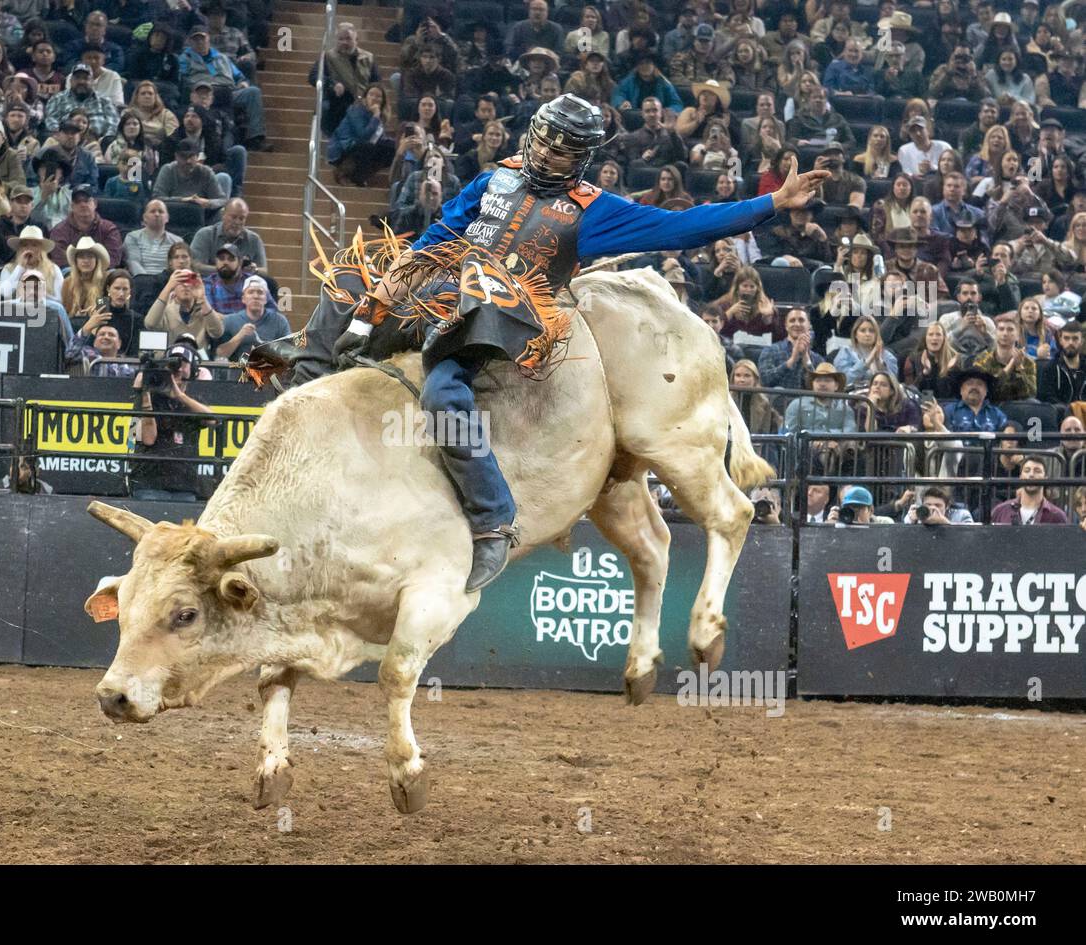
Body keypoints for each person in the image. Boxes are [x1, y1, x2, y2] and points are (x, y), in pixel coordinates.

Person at [289, 93, 826, 590]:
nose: (547, 153)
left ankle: (492, 520)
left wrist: (772, 202)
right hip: (444, 286)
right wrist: (378, 299)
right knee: (343, 285)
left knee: (442, 392)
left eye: (563, 148)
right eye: (543, 139)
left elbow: (680, 227)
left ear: (582, 157)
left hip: (503, 314)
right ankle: (300, 399)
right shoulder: (493, 178)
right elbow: (437, 238)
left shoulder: (594, 209)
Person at [129, 339, 217, 502]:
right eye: (173, 364)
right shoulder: (142, 399)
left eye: (183, 364)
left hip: (185, 485)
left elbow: (213, 421)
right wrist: (144, 395)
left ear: (194, 371)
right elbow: (146, 438)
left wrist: (179, 396)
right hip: (149, 484)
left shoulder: (193, 402)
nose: (178, 368)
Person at [328, 82, 396, 188]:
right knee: (367, 147)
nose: (374, 98)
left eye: (378, 96)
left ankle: (360, 176)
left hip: (363, 147)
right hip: (344, 147)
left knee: (391, 148)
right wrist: (376, 116)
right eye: (371, 95)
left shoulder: (379, 117)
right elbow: (363, 135)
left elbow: (379, 139)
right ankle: (344, 172)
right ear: (365, 98)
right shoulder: (356, 111)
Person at [144, 267, 226, 351]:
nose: (186, 285)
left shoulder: (204, 310)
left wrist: (202, 298)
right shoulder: (165, 309)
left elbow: (217, 332)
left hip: (197, 361)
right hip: (169, 360)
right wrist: (168, 288)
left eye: (190, 281)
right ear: (173, 287)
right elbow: (150, 324)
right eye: (181, 281)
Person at [215, 275, 291, 362]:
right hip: (237, 373)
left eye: (260, 292)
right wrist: (240, 336)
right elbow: (219, 354)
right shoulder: (230, 321)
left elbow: (289, 352)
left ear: (266, 299)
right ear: (243, 299)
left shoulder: (279, 321)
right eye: (251, 292)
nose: (255, 296)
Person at [50, 185, 122, 269]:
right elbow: (60, 260)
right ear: (72, 206)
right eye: (78, 202)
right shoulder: (59, 230)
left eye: (87, 200)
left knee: (114, 274)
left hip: (103, 271)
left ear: (95, 204)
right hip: (71, 273)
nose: (83, 204)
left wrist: (93, 272)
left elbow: (113, 258)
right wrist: (82, 272)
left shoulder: (109, 229)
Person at [758, 307, 824, 389]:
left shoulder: (818, 359)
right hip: (777, 399)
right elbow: (764, 380)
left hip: (805, 400)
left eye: (801, 320)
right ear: (786, 326)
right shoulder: (770, 350)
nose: (797, 324)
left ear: (809, 325)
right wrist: (791, 361)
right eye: (792, 320)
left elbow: (821, 387)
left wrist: (806, 358)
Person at [990, 458, 1069, 525]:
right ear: (1020, 477)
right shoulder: (1000, 511)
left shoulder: (1058, 516)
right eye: (1027, 471)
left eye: (1037, 471)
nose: (1031, 474)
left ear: (1045, 478)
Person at [65, 305, 136, 377]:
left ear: (119, 343)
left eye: (111, 335)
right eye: (102, 334)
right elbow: (69, 354)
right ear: (94, 342)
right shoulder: (86, 353)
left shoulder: (127, 365)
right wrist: (87, 328)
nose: (106, 337)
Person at [0, 224, 62, 302]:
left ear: (41, 249)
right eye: (25, 245)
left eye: (34, 245)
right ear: (20, 249)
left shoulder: (53, 269)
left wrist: (41, 295)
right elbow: (4, 293)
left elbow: (61, 300)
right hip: (16, 312)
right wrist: (20, 267)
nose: (29, 249)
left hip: (46, 311)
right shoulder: (9, 268)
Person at [124, 199, 181, 278]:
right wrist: (148, 280)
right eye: (152, 211)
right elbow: (133, 262)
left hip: (168, 282)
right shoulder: (132, 237)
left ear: (167, 218)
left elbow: (177, 266)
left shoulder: (177, 241)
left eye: (161, 211)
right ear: (144, 217)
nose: (157, 214)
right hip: (140, 282)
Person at [944, 367, 1008, 437]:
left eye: (979, 384)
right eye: (969, 383)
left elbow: (1005, 442)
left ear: (986, 391)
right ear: (961, 390)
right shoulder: (948, 412)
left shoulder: (997, 414)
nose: (974, 387)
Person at [1037, 319, 1086, 403]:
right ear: (1060, 341)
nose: (1070, 342)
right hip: (1060, 414)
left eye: (1075, 339)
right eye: (1066, 338)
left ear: (1081, 341)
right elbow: (1046, 398)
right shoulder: (1050, 368)